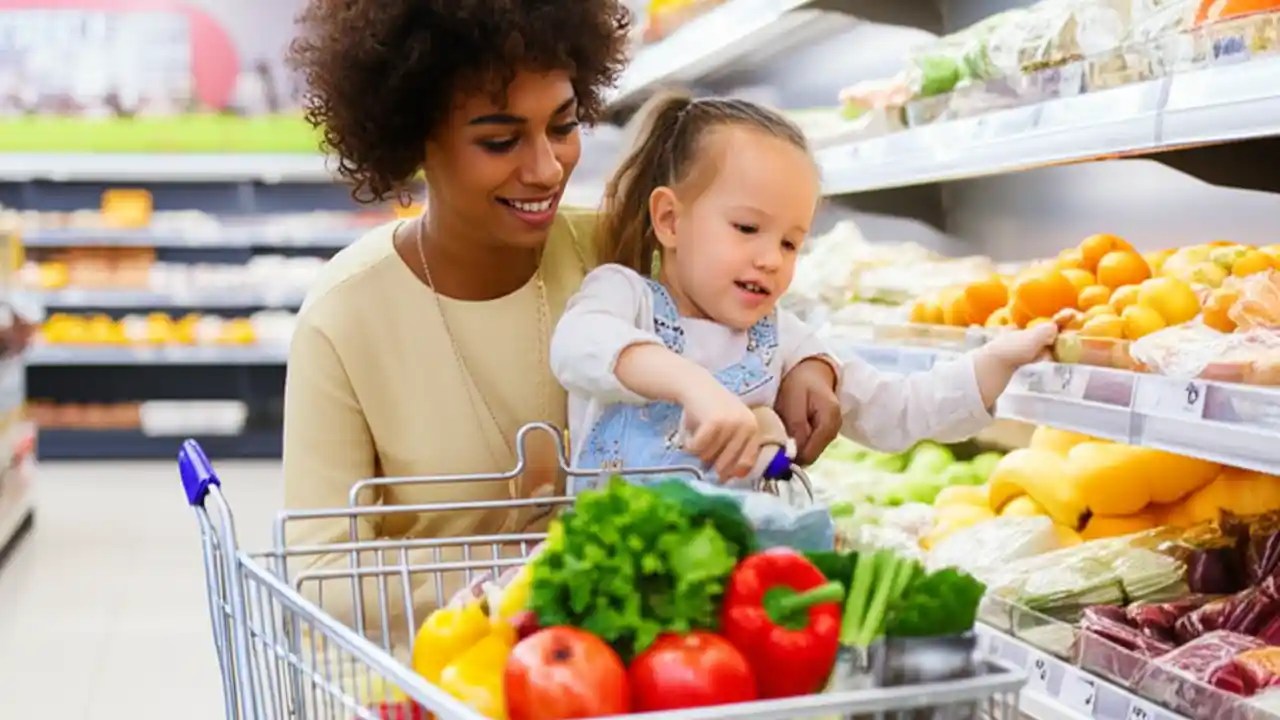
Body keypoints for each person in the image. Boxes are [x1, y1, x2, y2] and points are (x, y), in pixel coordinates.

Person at [280, 0, 843, 647]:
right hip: (442, 669)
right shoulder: (346, 315)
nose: (547, 168)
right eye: (500, 140)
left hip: (628, 662)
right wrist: (545, 576)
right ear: (414, 136)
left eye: (564, 125)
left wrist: (809, 366)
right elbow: (319, 573)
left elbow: (738, 302)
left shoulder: (615, 247)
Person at [551, 94, 1058, 491]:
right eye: (747, 228)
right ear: (669, 220)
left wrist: (997, 362)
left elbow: (898, 410)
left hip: (735, 592)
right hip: (613, 576)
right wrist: (693, 386)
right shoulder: (626, 298)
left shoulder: (783, 342)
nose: (771, 258)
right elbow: (579, 345)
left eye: (791, 242)